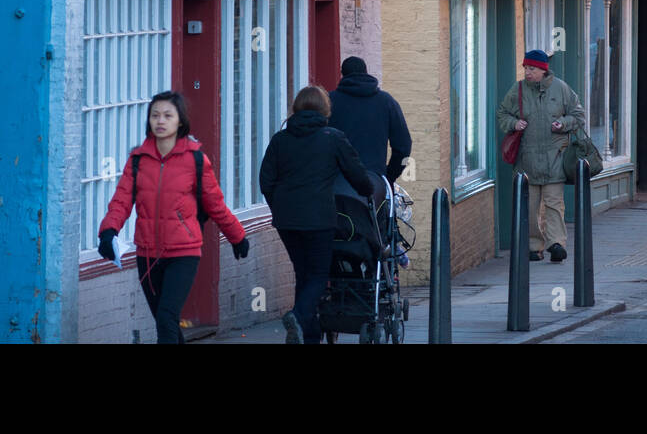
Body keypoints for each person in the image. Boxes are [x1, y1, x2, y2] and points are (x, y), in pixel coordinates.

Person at [97, 91, 249, 344]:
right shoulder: (137, 160)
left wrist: (237, 236)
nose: (160, 121)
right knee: (164, 321)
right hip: (147, 253)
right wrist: (108, 232)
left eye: (168, 115)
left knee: (167, 317)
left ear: (180, 121)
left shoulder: (196, 160)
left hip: (183, 252)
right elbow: (121, 201)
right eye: (155, 115)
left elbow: (215, 204)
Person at [260, 85, 374, 344]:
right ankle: (298, 317)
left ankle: (308, 336)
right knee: (319, 276)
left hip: (287, 220)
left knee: (303, 273)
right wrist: (367, 190)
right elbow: (356, 174)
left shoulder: (280, 140)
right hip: (319, 218)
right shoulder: (332, 137)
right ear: (325, 109)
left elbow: (265, 180)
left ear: (296, 108)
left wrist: (278, 206)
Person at [496, 49, 586, 263]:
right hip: (526, 158)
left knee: (555, 203)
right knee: (530, 205)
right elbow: (502, 113)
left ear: (543, 70)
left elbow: (578, 115)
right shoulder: (517, 90)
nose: (527, 72)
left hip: (555, 156)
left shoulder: (561, 89)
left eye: (532, 69)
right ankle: (534, 246)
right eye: (526, 68)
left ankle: (557, 244)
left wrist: (562, 124)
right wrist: (513, 123)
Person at [328, 56, 412, 183]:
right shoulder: (386, 101)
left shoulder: (329, 101)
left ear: (342, 74)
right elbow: (404, 146)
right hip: (374, 180)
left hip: (336, 182)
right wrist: (389, 176)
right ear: (366, 72)